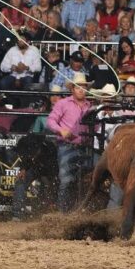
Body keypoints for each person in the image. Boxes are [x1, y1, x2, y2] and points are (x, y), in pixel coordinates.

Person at [46, 71, 91, 212]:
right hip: (67, 145)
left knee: (86, 180)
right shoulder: (63, 104)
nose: (80, 89)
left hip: (86, 147)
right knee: (66, 180)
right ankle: (62, 214)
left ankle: (81, 210)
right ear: (72, 89)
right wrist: (61, 130)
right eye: (78, 87)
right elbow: (50, 121)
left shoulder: (90, 106)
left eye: (83, 87)